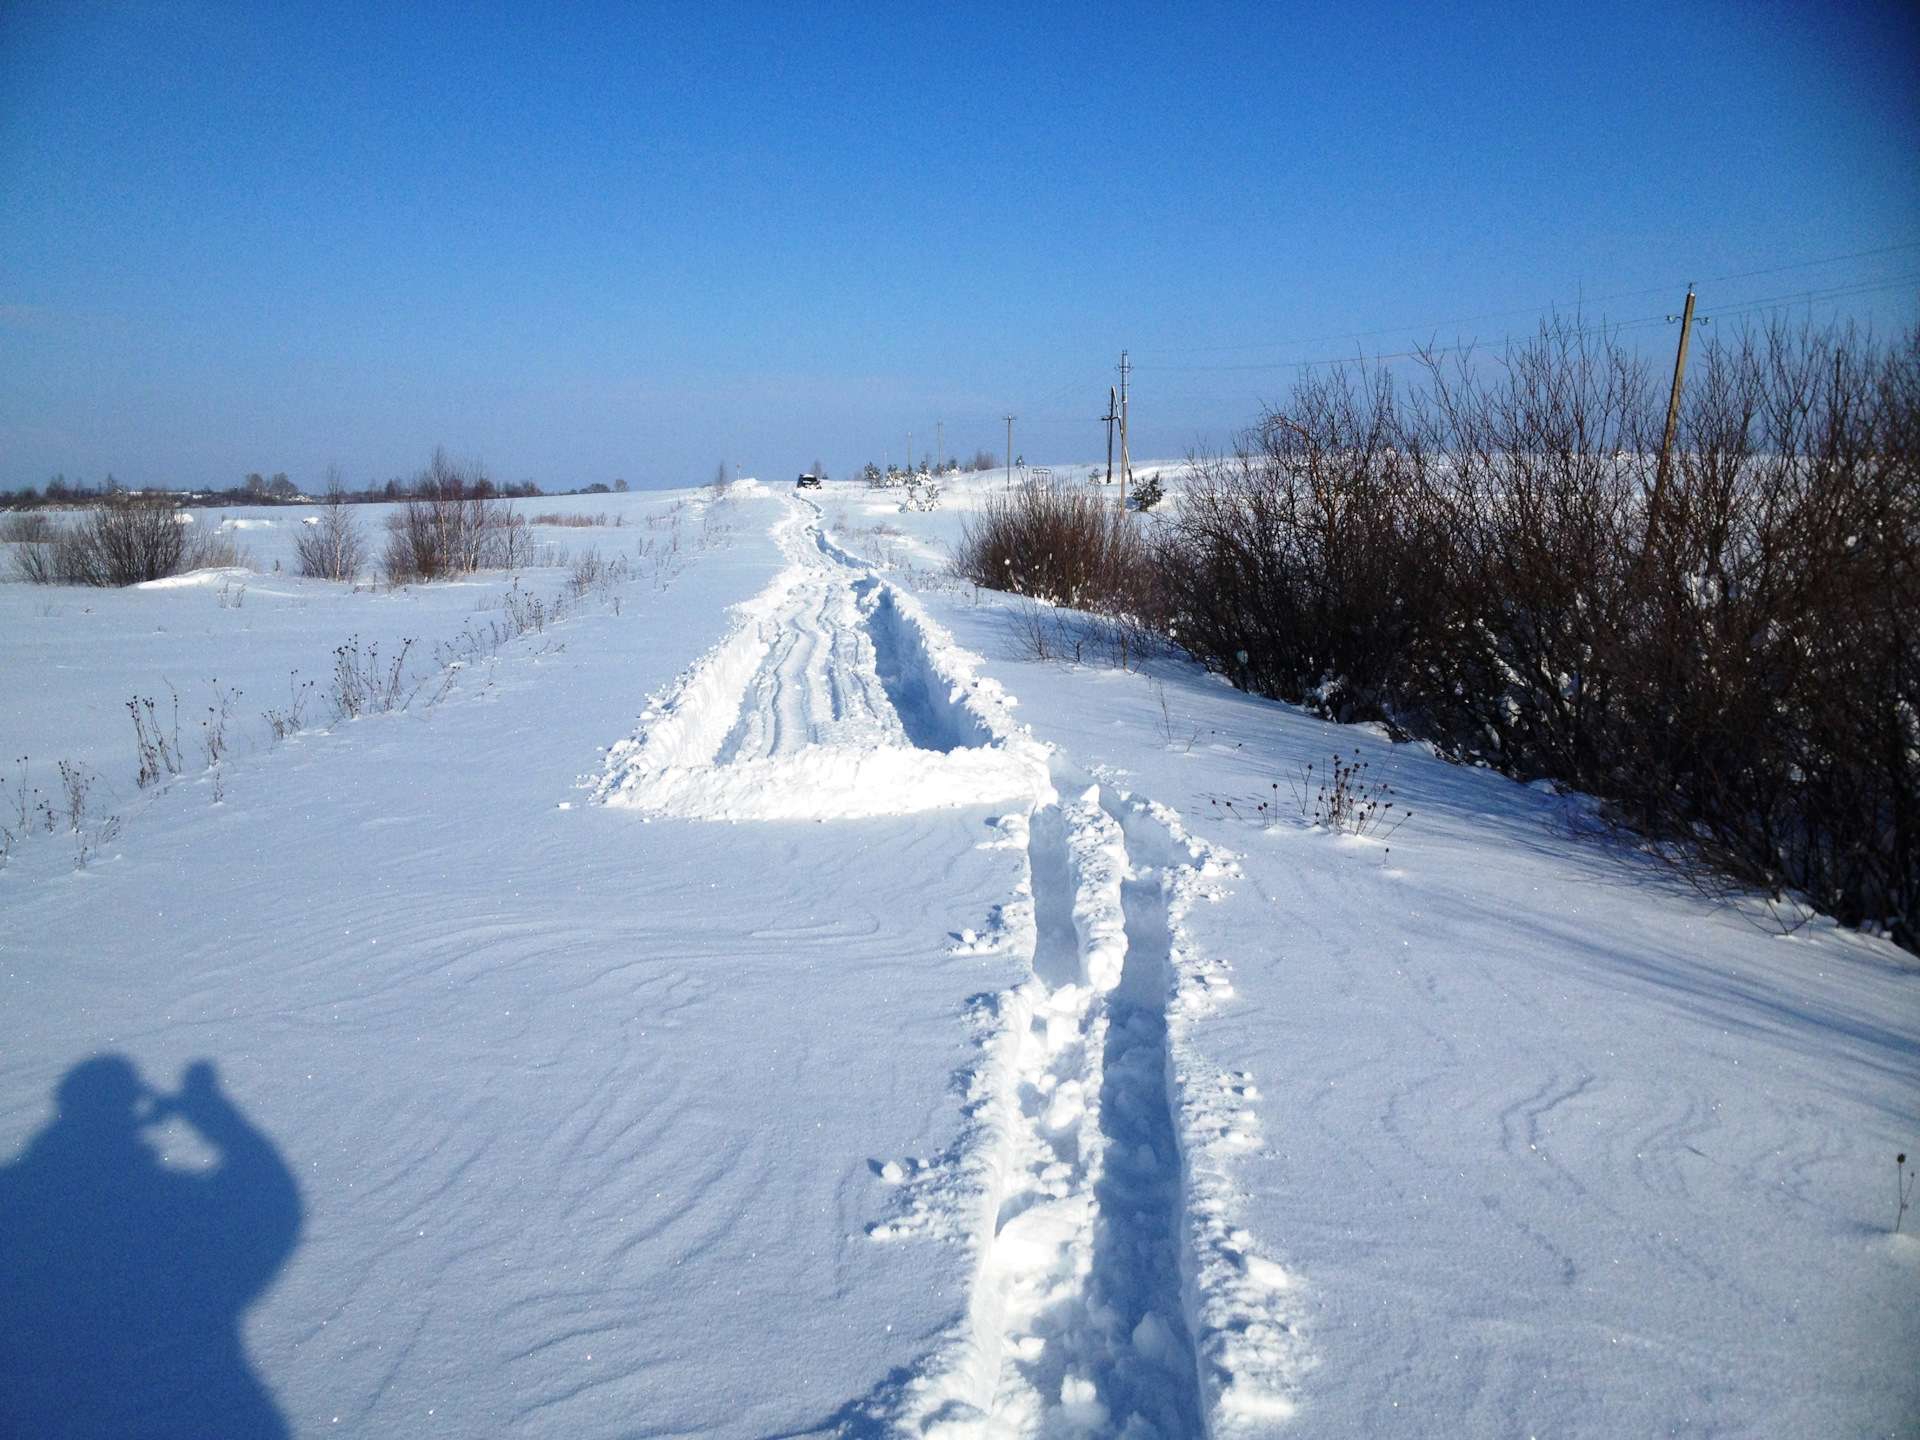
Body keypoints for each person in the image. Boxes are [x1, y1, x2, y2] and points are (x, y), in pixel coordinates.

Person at [0, 1056, 301, 1438]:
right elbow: (271, 1203)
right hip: (198, 1407)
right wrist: (207, 1109)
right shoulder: (174, 1206)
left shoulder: (11, 1195)